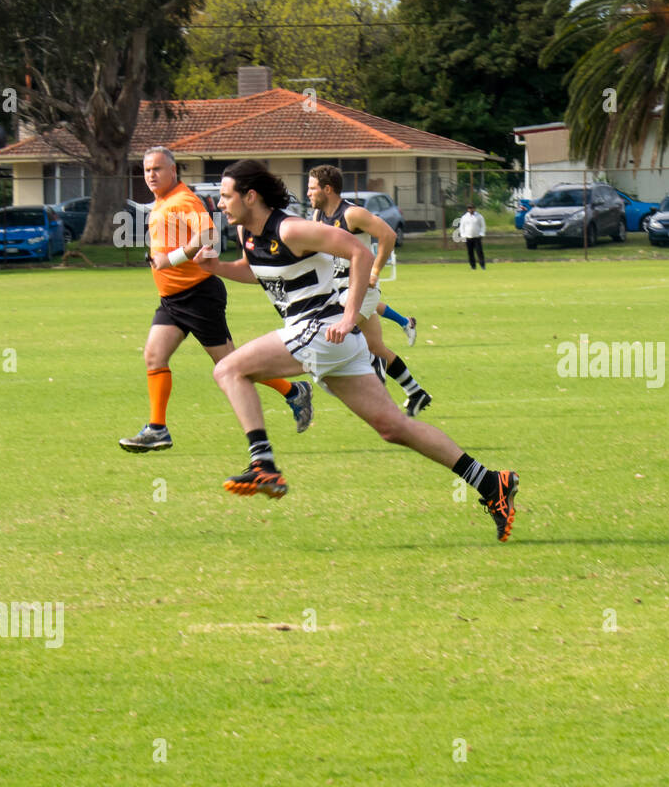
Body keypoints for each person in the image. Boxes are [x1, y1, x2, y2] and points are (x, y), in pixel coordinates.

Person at [196, 160, 518, 540]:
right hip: (327, 341)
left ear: (250, 196)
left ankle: (262, 462)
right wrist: (216, 267)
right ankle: (490, 482)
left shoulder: (291, 228)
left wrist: (349, 317)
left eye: (225, 196)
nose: (219, 203)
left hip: (321, 329)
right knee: (393, 427)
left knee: (228, 370)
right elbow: (258, 272)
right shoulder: (249, 235)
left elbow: (359, 253)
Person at [118, 146, 312, 452]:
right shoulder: (162, 202)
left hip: (198, 296)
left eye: (157, 169)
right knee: (154, 357)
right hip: (172, 299)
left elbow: (207, 236)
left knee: (230, 363)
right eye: (146, 170)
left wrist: (171, 259)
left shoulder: (183, 200)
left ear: (173, 171)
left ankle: (294, 391)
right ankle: (157, 429)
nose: (151, 175)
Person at [306, 166, 431, 416]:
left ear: (327, 189)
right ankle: (416, 392)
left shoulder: (352, 214)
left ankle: (375, 389)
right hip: (337, 290)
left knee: (334, 337)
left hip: (359, 290)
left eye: (312, 188)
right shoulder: (318, 215)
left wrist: (374, 272)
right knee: (376, 347)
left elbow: (388, 235)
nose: (308, 193)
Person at [459, 203, 486, 270]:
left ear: (474, 209)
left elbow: (483, 226)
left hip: (477, 237)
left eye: (472, 208)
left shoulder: (479, 216)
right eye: (469, 208)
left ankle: (482, 265)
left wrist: (482, 234)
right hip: (468, 237)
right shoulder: (464, 217)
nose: (471, 209)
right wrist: (463, 235)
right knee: (470, 252)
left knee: (479, 252)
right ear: (468, 209)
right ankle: (473, 266)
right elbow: (462, 227)